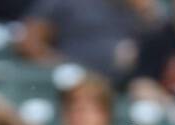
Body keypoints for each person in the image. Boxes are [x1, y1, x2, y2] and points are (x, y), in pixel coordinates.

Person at [17, 0, 158, 79]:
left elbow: (160, 42)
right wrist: (62, 65)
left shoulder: (132, 6)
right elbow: (29, 42)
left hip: (123, 85)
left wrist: (146, 10)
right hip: (75, 83)